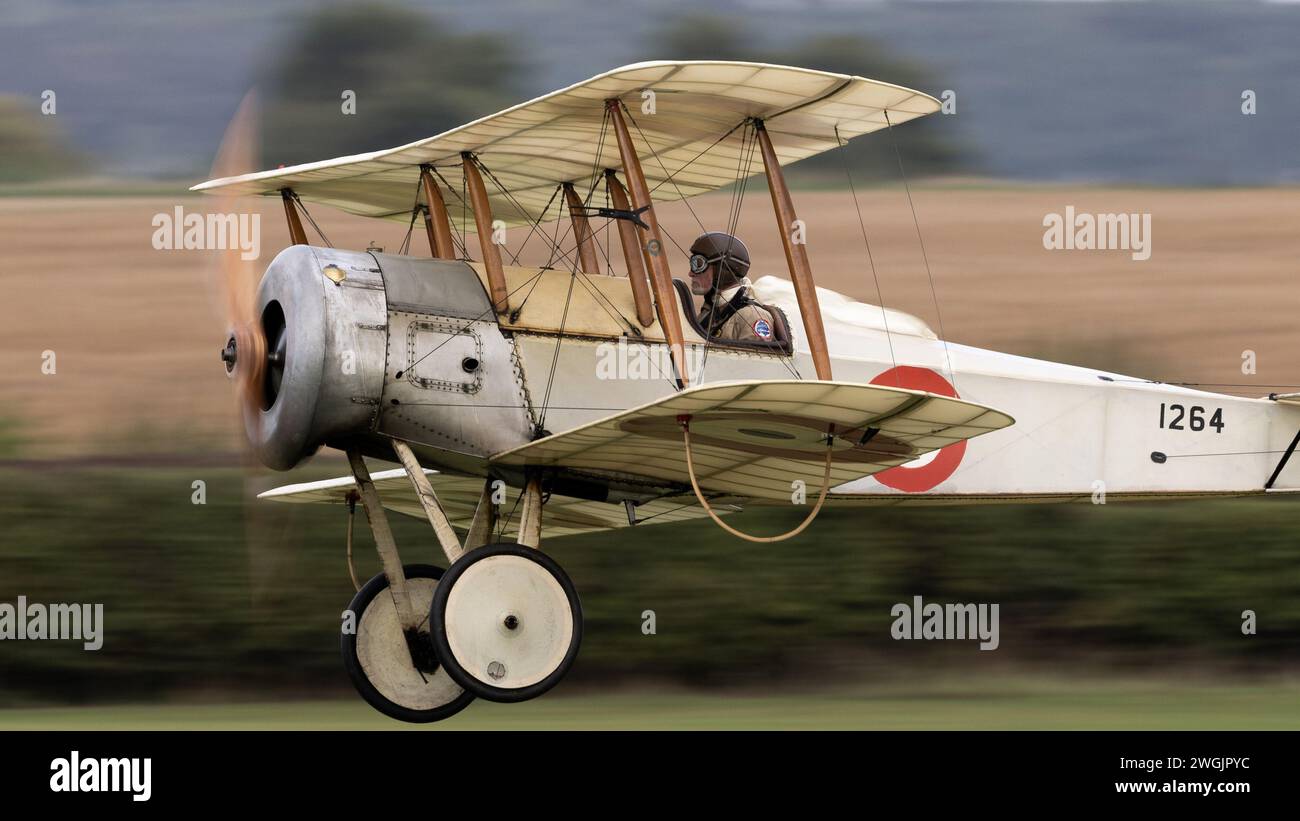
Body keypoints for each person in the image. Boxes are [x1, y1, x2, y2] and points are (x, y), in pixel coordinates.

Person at [687, 231, 778, 343]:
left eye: (698, 264)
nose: (691, 273)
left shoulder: (752, 316)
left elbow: (756, 359)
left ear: (722, 269)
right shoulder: (710, 309)